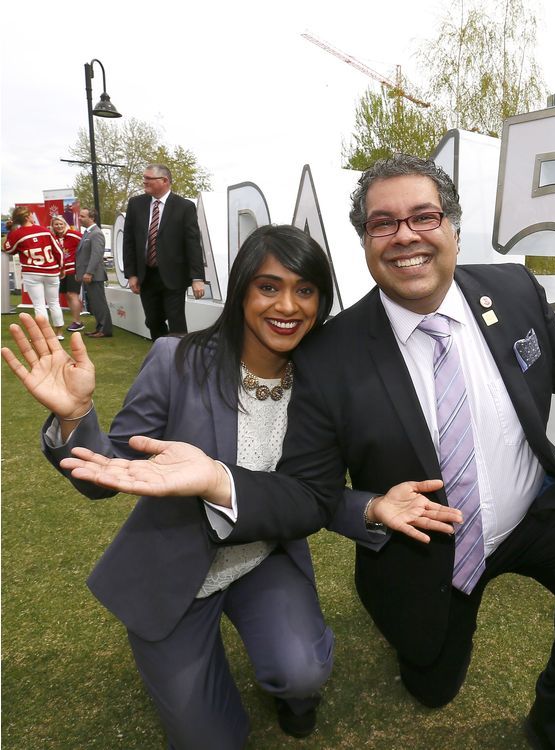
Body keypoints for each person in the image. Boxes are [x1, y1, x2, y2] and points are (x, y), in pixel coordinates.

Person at [57, 156, 555, 750]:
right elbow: (307, 493)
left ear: (452, 228)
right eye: (382, 224)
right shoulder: (331, 353)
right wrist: (256, 484)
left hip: (536, 507)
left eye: (422, 216)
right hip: (433, 537)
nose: (405, 236)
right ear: (365, 243)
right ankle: (417, 640)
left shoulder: (513, 290)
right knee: (430, 684)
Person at [1, 224, 460, 749]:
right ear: (241, 289)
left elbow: (312, 495)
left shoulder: (324, 382)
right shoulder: (177, 359)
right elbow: (113, 471)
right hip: (174, 565)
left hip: (264, 555)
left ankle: (295, 692)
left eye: (304, 289)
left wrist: (373, 506)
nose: (287, 305)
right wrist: (75, 417)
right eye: (268, 286)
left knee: (302, 671)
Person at [122, 163, 206, 339]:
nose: (144, 182)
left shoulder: (184, 207)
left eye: (148, 179)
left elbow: (193, 244)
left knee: (176, 322)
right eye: (144, 178)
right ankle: (162, 354)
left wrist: (197, 278)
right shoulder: (136, 204)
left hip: (174, 276)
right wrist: (131, 274)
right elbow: (128, 241)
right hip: (146, 275)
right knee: (153, 320)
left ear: (164, 180)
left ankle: (178, 360)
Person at [3, 206, 64, 339]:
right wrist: (61, 268)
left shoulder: (17, 234)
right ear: (27, 217)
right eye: (31, 214)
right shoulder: (45, 231)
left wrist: (11, 232)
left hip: (32, 273)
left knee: (39, 305)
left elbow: (8, 249)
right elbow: (58, 251)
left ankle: (45, 334)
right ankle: (59, 333)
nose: (32, 216)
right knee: (54, 302)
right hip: (51, 271)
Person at [76, 208, 113, 338]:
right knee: (95, 304)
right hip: (89, 275)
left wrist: (89, 273)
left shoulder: (96, 233)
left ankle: (105, 329)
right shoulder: (88, 233)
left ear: (91, 218)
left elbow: (96, 255)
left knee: (99, 303)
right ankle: (99, 328)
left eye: (82, 216)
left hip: (94, 275)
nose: (79, 218)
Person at [50, 216, 84, 333]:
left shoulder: (73, 234)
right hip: (61, 271)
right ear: (52, 226)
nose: (59, 226)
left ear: (65, 224)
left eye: (61, 224)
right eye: (56, 224)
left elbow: (87, 244)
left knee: (72, 294)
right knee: (67, 295)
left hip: (74, 270)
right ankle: (76, 320)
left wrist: (82, 264)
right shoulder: (53, 237)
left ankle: (78, 322)